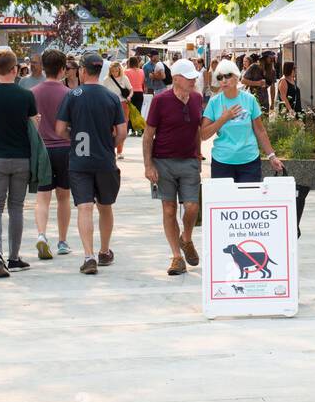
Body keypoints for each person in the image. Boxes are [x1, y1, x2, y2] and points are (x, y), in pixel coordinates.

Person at [55, 52, 127, 275]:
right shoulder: (111, 97)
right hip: (105, 160)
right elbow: (122, 132)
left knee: (84, 207)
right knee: (105, 207)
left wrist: (74, 139)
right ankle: (105, 251)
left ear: (83, 71)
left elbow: (59, 129)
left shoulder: (72, 95)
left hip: (79, 161)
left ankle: (89, 256)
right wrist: (110, 144)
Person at [0, 49, 39, 278]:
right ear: (14, 69)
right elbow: (33, 126)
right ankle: (14, 257)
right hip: (21, 157)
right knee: (16, 208)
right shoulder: (26, 96)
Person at [144, 58, 205, 276]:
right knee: (168, 209)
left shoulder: (197, 99)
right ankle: (177, 257)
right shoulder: (161, 100)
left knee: (192, 207)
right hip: (163, 162)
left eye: (194, 77)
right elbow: (148, 134)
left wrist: (198, 155)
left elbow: (198, 129)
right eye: (188, 78)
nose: (193, 81)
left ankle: (186, 239)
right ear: (177, 79)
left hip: (189, 160)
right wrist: (148, 164)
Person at [201, 59, 282, 183]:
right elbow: (204, 134)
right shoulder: (214, 102)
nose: (223, 80)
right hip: (222, 161)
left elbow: (260, 131)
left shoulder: (249, 100)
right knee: (225, 202)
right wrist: (223, 119)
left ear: (236, 76)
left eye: (228, 75)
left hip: (249, 161)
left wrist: (272, 156)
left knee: (248, 201)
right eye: (219, 77)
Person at [32, 49, 73, 260]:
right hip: (65, 148)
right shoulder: (69, 94)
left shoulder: (33, 92)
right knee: (64, 196)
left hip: (42, 149)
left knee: (42, 197)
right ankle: (63, 241)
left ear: (43, 67)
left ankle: (41, 235)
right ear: (62, 69)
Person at [101, 61, 134, 159]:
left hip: (123, 104)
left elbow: (131, 89)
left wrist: (129, 96)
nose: (115, 73)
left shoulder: (124, 78)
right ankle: (112, 150)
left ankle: (120, 151)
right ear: (110, 71)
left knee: (122, 128)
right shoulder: (106, 80)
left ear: (120, 70)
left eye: (116, 71)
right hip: (110, 105)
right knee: (112, 128)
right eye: (113, 71)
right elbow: (103, 93)